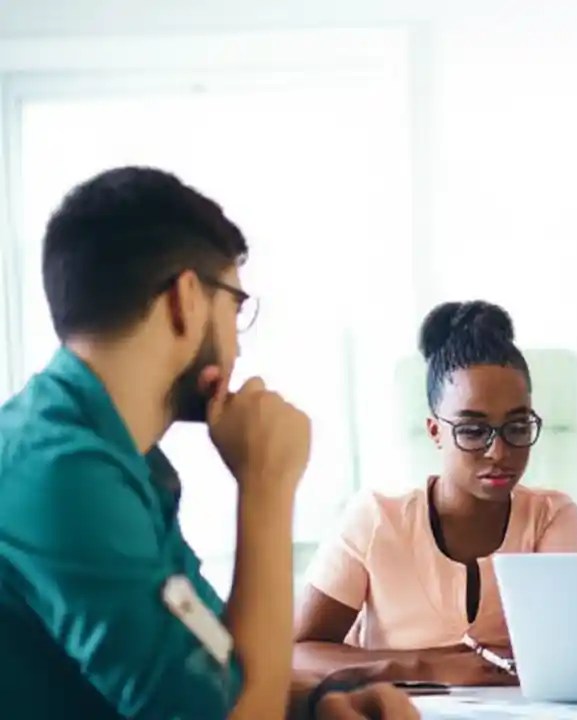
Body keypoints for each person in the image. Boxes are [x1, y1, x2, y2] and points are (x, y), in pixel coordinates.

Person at [0, 167, 414, 719]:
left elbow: (216, 672)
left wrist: (317, 705)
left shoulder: (120, 460)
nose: (240, 349)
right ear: (186, 298)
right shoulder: (62, 474)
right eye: (236, 306)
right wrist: (267, 484)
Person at [294, 300, 577, 685]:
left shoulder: (551, 515)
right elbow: (300, 652)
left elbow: (564, 651)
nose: (498, 452)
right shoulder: (375, 518)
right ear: (435, 432)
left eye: (517, 427)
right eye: (472, 430)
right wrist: (424, 667)